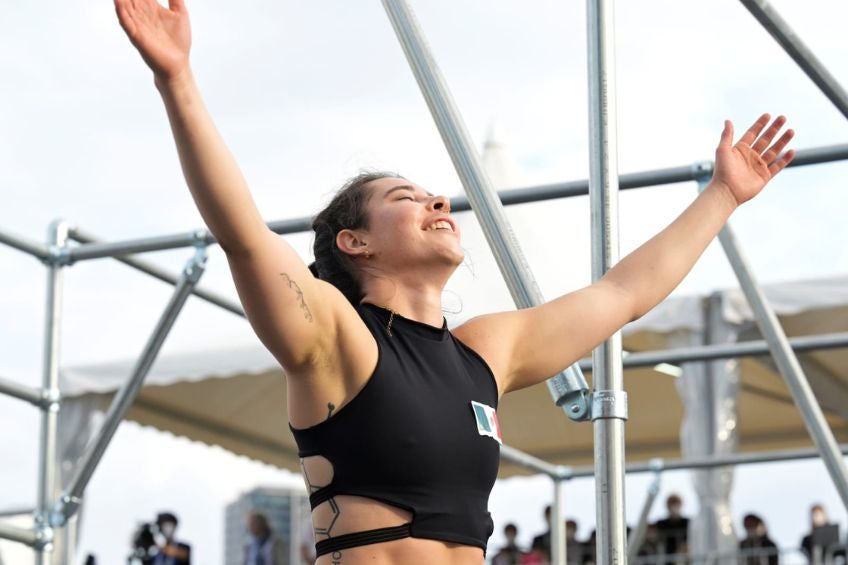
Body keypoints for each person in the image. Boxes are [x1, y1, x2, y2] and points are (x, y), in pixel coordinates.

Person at [113, 1, 795, 563]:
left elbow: (623, 294)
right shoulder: (334, 336)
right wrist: (177, 79)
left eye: (434, 195)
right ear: (354, 242)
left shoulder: (484, 350)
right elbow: (242, 233)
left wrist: (722, 196)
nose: (438, 201)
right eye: (406, 197)